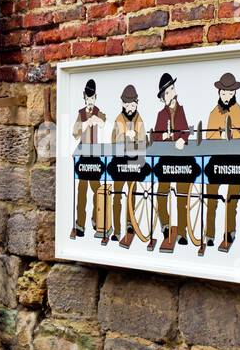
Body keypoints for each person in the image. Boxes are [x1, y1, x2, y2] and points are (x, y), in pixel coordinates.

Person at [203, 72, 240, 251]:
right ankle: (210, 233)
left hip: (235, 161)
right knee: (211, 197)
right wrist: (219, 135)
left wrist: (229, 134)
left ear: (234, 93)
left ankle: (230, 231)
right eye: (223, 93)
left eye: (229, 93)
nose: (226, 97)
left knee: (232, 198)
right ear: (219, 93)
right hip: (216, 161)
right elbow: (208, 135)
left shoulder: (238, 111)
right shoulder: (214, 112)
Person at [151, 72, 190, 253]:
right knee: (161, 193)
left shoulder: (181, 111)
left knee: (182, 194)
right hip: (165, 160)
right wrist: (163, 136)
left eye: (170, 91)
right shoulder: (161, 115)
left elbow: (186, 131)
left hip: (180, 160)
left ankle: (182, 231)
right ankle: (165, 225)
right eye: (165, 94)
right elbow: (154, 136)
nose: (169, 95)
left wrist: (182, 138)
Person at [110, 84, 147, 245]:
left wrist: (136, 138)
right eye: (127, 105)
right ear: (123, 104)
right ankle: (117, 230)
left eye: (133, 105)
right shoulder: (119, 120)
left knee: (132, 194)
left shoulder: (140, 120)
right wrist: (126, 134)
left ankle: (130, 224)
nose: (130, 108)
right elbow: (115, 141)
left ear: (136, 104)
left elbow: (143, 141)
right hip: (119, 163)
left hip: (134, 163)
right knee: (117, 195)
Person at [70, 79, 106, 238]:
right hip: (83, 156)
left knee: (97, 190)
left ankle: (96, 219)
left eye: (93, 99)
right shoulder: (81, 114)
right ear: (84, 98)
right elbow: (75, 132)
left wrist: (96, 119)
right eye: (88, 99)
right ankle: (80, 224)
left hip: (95, 156)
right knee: (82, 191)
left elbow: (104, 122)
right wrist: (85, 123)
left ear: (96, 98)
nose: (90, 102)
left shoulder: (98, 111)